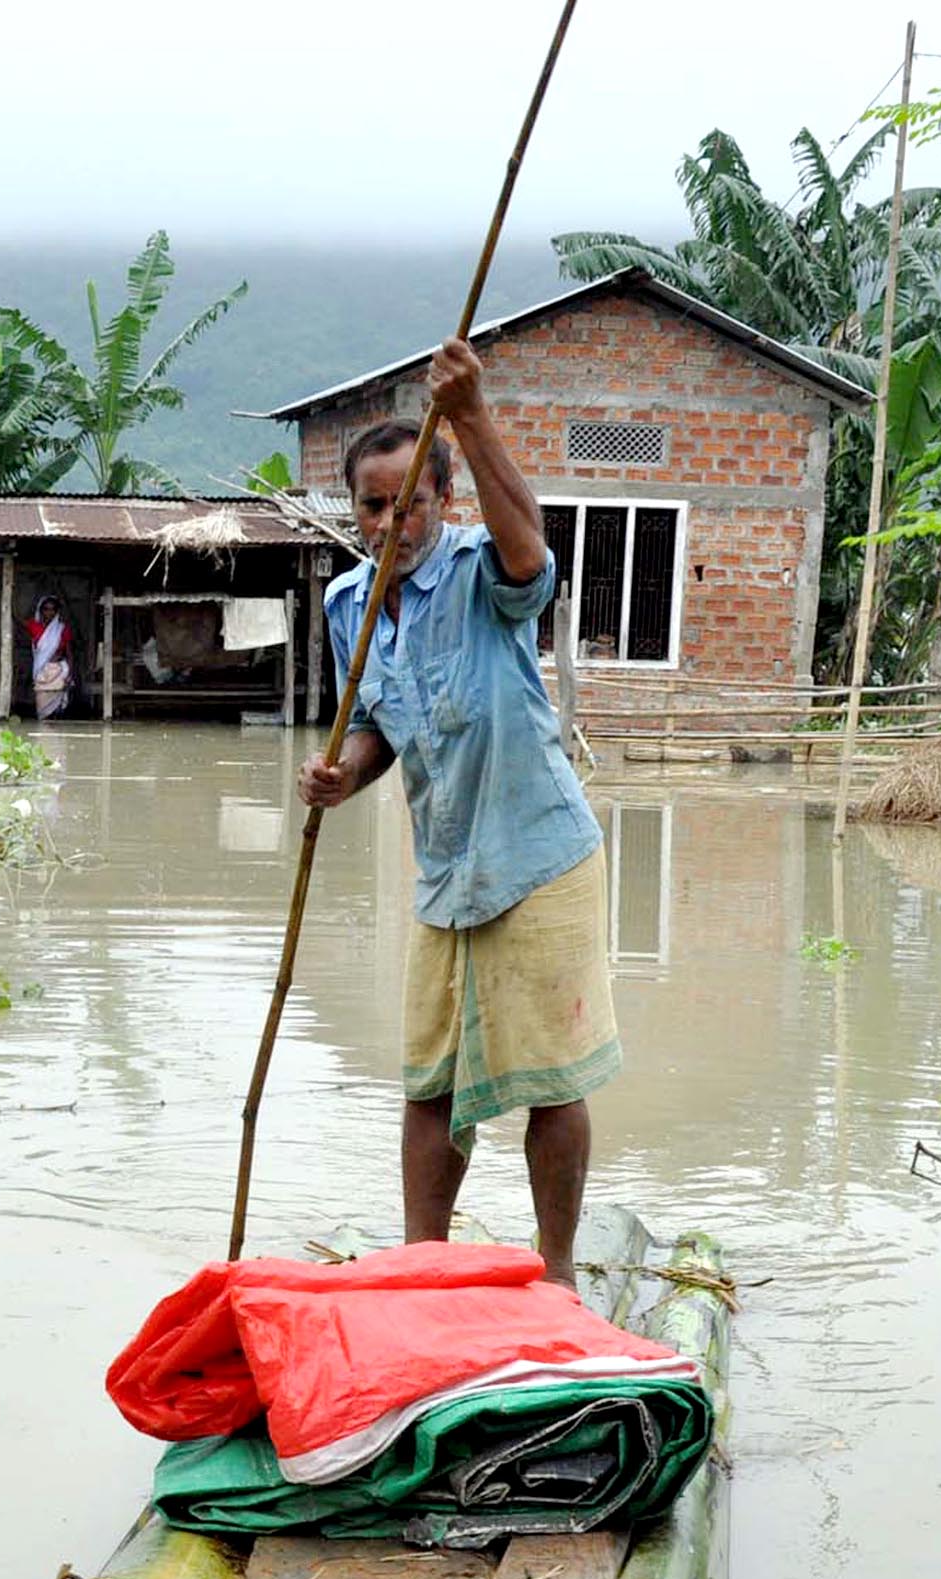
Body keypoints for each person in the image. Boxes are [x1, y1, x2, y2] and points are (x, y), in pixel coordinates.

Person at [296, 337, 616, 1285]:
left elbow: (534, 556)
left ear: (442, 501)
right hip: (444, 874)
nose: (390, 520)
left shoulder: (482, 570)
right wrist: (340, 778)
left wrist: (473, 415)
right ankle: (419, 1266)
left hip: (538, 858)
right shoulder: (349, 605)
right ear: (351, 508)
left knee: (550, 1077)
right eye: (372, 503)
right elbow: (384, 733)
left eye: (410, 502)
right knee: (429, 1080)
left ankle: (555, 1267)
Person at [25, 594, 76, 721]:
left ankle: (56, 738)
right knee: (42, 708)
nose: (49, 612)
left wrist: (70, 674)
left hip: (58, 671)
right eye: (46, 609)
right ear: (41, 610)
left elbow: (69, 653)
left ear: (57, 611)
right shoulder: (34, 626)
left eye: (52, 609)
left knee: (58, 709)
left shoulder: (62, 629)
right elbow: (18, 621)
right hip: (41, 672)